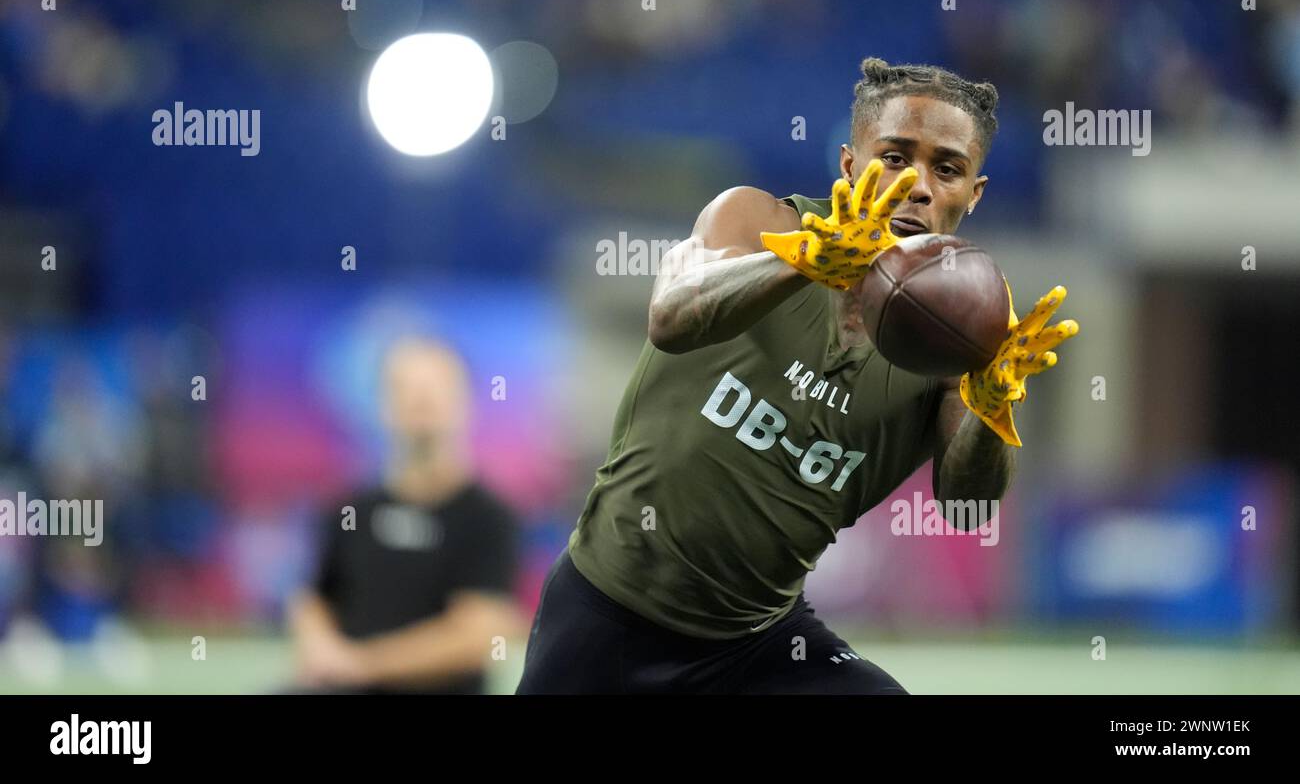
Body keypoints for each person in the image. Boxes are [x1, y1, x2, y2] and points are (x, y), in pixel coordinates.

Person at [517, 57, 1079, 694]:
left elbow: (969, 505)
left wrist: (990, 404)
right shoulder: (761, 222)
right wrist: (803, 263)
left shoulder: (965, 329)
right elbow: (672, 315)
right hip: (608, 613)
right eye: (894, 157)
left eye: (946, 168)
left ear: (973, 193)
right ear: (849, 164)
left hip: (756, 644)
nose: (917, 185)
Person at [289, 338, 523, 694]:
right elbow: (314, 598)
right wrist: (322, 652)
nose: (421, 400)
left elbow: (479, 634)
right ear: (382, 404)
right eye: (406, 388)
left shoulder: (489, 519)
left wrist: (361, 665)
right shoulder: (351, 509)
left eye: (435, 389)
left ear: (466, 402)